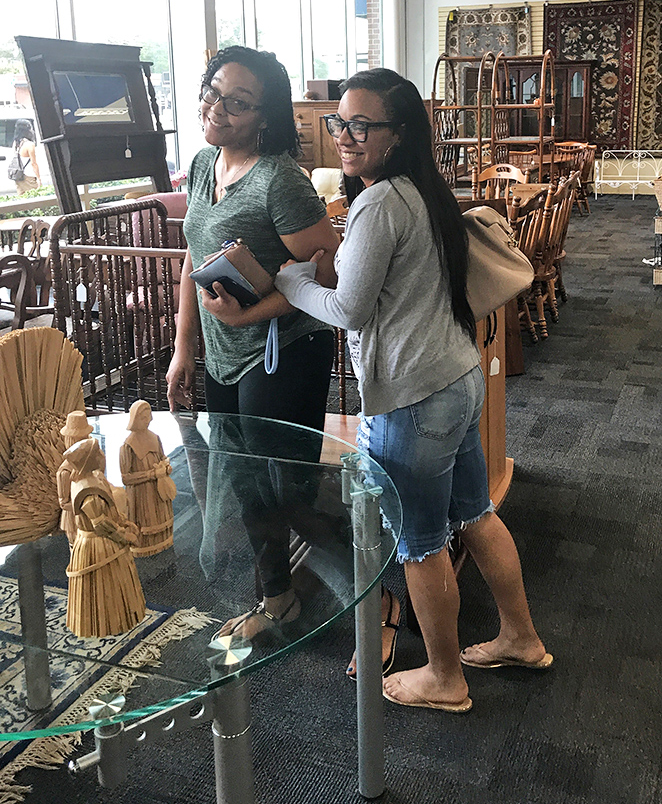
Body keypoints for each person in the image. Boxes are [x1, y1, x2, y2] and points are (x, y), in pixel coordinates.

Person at [276, 68, 551, 713]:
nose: (344, 136)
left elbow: (349, 308)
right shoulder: (425, 191)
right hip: (456, 379)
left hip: (413, 400)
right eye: (340, 122)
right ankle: (521, 637)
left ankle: (444, 677)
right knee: (476, 515)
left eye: (361, 125)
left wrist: (292, 281)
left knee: (421, 546)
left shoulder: (377, 203)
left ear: (397, 134)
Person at [166, 46, 339, 636]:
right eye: (213, 92)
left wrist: (249, 317)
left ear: (265, 117)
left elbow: (327, 270)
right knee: (244, 480)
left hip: (285, 350)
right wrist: (184, 346)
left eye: (238, 103)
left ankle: (376, 588)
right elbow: (192, 259)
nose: (218, 109)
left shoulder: (279, 180)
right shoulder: (202, 164)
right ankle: (277, 597)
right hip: (224, 352)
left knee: (287, 487)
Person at [64, 437, 145, 639]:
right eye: (97, 453)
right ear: (88, 460)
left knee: (117, 582)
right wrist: (123, 536)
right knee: (101, 587)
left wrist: (123, 521)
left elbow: (111, 510)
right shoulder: (87, 491)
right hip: (97, 544)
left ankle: (122, 618)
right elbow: (100, 525)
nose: (102, 456)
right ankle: (102, 624)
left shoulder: (96, 478)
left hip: (106, 539)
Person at [120, 399, 176, 557]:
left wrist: (166, 467)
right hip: (141, 495)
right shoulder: (128, 446)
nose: (147, 420)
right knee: (144, 522)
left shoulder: (155, 438)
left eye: (148, 416)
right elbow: (126, 479)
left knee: (161, 518)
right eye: (143, 418)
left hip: (158, 491)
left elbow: (163, 457)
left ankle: (163, 542)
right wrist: (151, 475)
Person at [56, 410, 94, 547]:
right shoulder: (65, 472)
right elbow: (63, 503)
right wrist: (84, 505)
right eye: (81, 440)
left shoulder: (91, 462)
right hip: (74, 518)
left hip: (92, 515)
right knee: (78, 548)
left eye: (86, 438)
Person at [10, 119, 40, 195]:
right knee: (35, 197)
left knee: (22, 198)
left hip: (18, 176)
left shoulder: (16, 143)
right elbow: (33, 163)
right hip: (29, 177)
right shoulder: (29, 144)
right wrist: (39, 178)